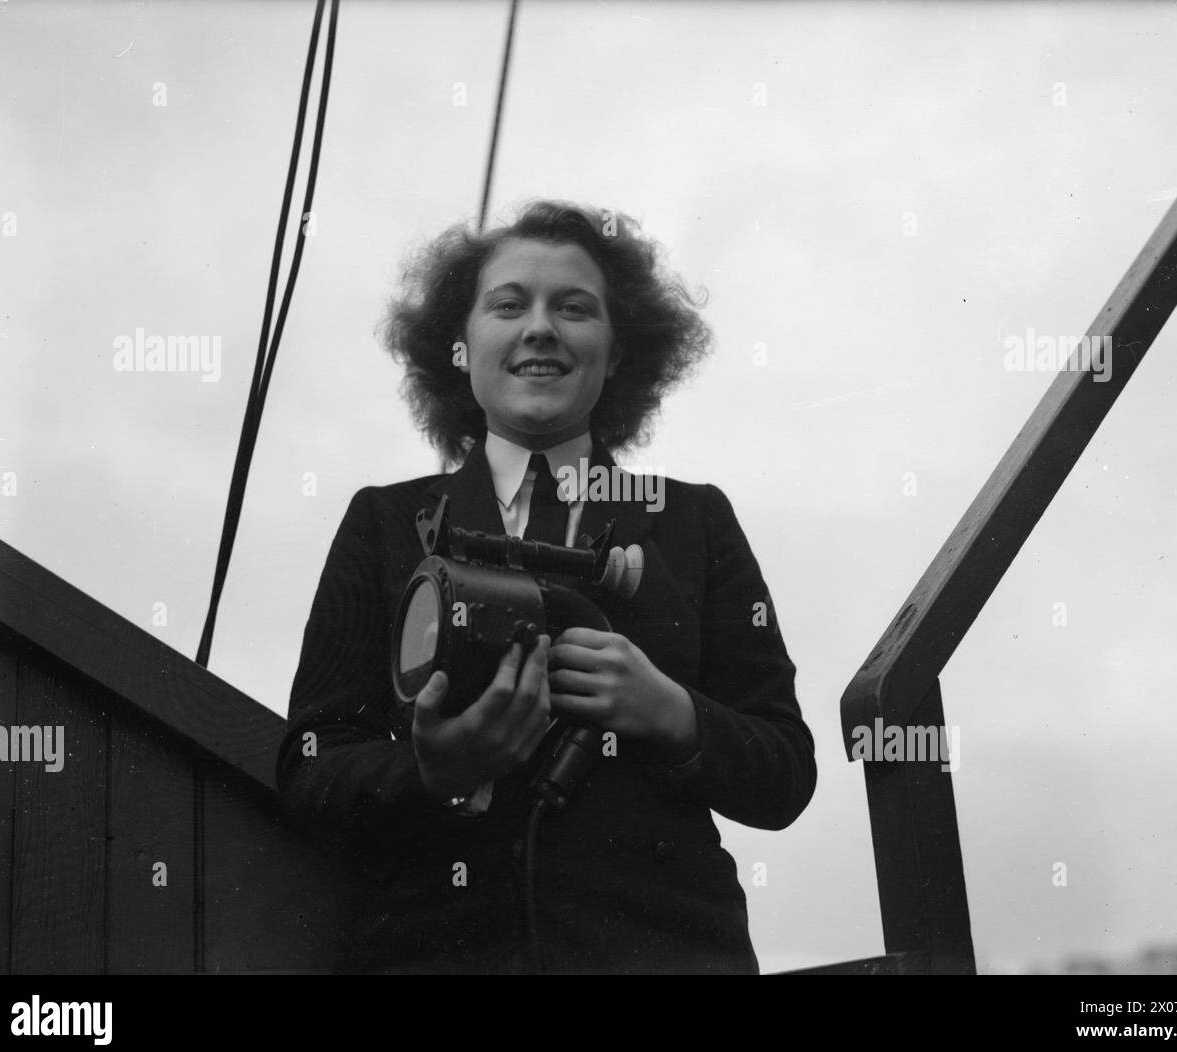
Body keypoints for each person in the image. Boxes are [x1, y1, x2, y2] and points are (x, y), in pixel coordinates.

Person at [276, 200, 816, 973]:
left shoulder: (695, 520)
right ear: (460, 348)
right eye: (508, 305)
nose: (540, 328)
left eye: (574, 308)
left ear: (619, 351)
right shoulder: (383, 521)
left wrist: (672, 712)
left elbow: (786, 767)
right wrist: (435, 770)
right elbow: (310, 762)